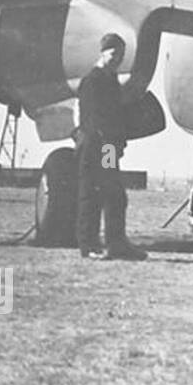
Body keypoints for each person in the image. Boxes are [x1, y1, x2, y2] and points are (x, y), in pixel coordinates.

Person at [75, 33, 146, 260]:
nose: (117, 59)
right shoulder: (93, 80)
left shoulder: (110, 80)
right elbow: (95, 119)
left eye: (121, 56)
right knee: (94, 195)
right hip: (97, 146)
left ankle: (116, 244)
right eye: (114, 54)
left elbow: (115, 117)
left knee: (114, 194)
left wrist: (117, 143)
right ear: (103, 52)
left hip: (107, 147)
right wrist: (111, 144)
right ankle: (90, 246)